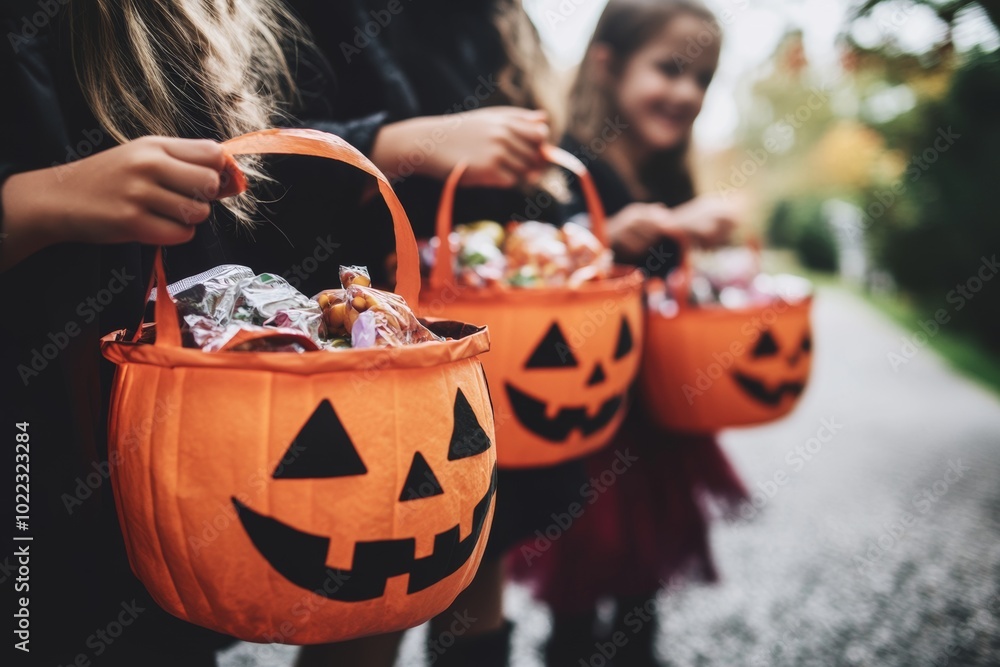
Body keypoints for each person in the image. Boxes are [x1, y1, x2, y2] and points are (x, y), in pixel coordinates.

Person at [0, 1, 375, 663]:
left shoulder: (189, 23)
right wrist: (38, 203)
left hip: (159, 476)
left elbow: (248, 198)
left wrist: (380, 145)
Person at [284, 2, 585, 666]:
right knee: (376, 586)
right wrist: (403, 144)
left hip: (495, 353)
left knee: (480, 553)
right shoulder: (322, 15)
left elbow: (543, 192)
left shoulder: (501, 25)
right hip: (375, 355)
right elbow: (265, 161)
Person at [507, 2, 749, 665]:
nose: (685, 93)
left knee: (648, 552)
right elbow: (534, 262)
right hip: (586, 406)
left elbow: (674, 284)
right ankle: (571, 646)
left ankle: (638, 646)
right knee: (588, 551)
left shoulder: (671, 178)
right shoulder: (568, 169)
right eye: (668, 70)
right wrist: (609, 237)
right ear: (609, 65)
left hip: (657, 405)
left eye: (701, 79)